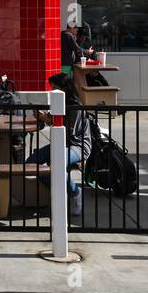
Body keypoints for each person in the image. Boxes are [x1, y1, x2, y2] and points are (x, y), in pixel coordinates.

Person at [30, 72, 93, 217]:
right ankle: (59, 189)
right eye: (51, 88)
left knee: (56, 162)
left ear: (65, 89)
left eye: (55, 88)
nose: (52, 92)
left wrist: (48, 119)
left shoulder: (75, 106)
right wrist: (44, 117)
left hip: (78, 146)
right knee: (31, 163)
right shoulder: (59, 103)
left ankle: (75, 192)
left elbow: (69, 132)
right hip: (61, 144)